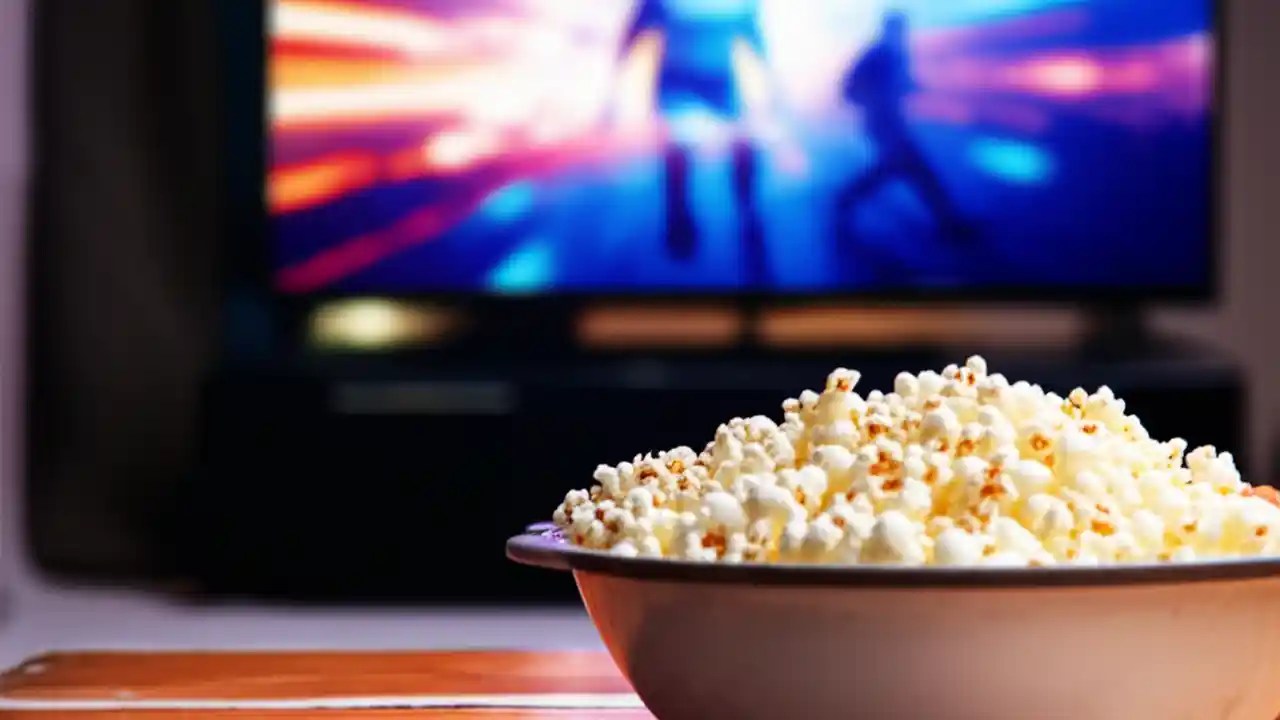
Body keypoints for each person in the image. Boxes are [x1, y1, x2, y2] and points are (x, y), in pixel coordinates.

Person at [618, 0, 769, 282]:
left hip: (715, 80)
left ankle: (741, 211)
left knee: (736, 144)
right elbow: (636, 30)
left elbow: (752, 32)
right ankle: (685, 211)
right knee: (682, 148)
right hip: (683, 79)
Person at [836, 12, 970, 243]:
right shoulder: (876, 55)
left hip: (892, 124)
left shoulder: (893, 55)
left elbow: (900, 83)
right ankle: (951, 224)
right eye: (899, 29)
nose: (903, 34)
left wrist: (912, 87)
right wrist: (876, 99)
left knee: (901, 170)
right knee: (914, 171)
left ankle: (950, 223)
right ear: (889, 30)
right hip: (883, 124)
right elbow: (849, 89)